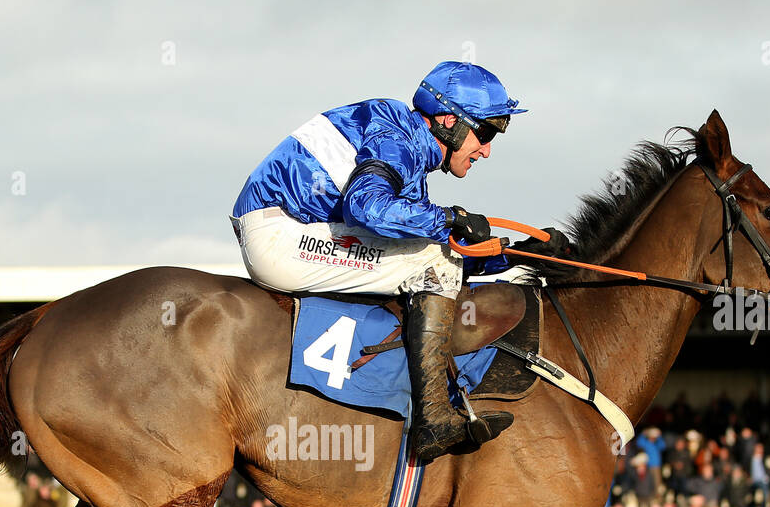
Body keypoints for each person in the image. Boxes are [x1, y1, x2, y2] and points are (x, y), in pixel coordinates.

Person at [231, 61, 569, 463]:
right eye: (485, 132)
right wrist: (447, 218)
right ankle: (434, 418)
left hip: (288, 228)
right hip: (282, 235)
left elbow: (446, 252)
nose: (487, 149)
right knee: (435, 264)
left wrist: (515, 254)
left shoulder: (406, 150)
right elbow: (366, 207)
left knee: (436, 260)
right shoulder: (396, 136)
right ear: (448, 121)